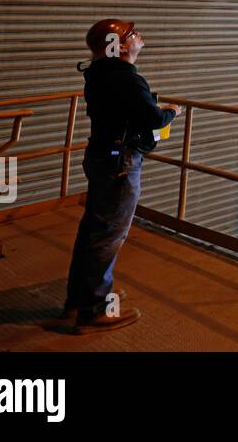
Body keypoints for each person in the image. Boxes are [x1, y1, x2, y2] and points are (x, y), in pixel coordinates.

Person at [62, 19, 180, 333]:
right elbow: (152, 118)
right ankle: (94, 312)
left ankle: (78, 300)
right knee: (109, 234)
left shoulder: (97, 73)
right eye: (132, 33)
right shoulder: (127, 79)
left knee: (93, 229)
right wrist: (171, 112)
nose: (139, 35)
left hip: (101, 155)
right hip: (121, 162)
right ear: (120, 45)